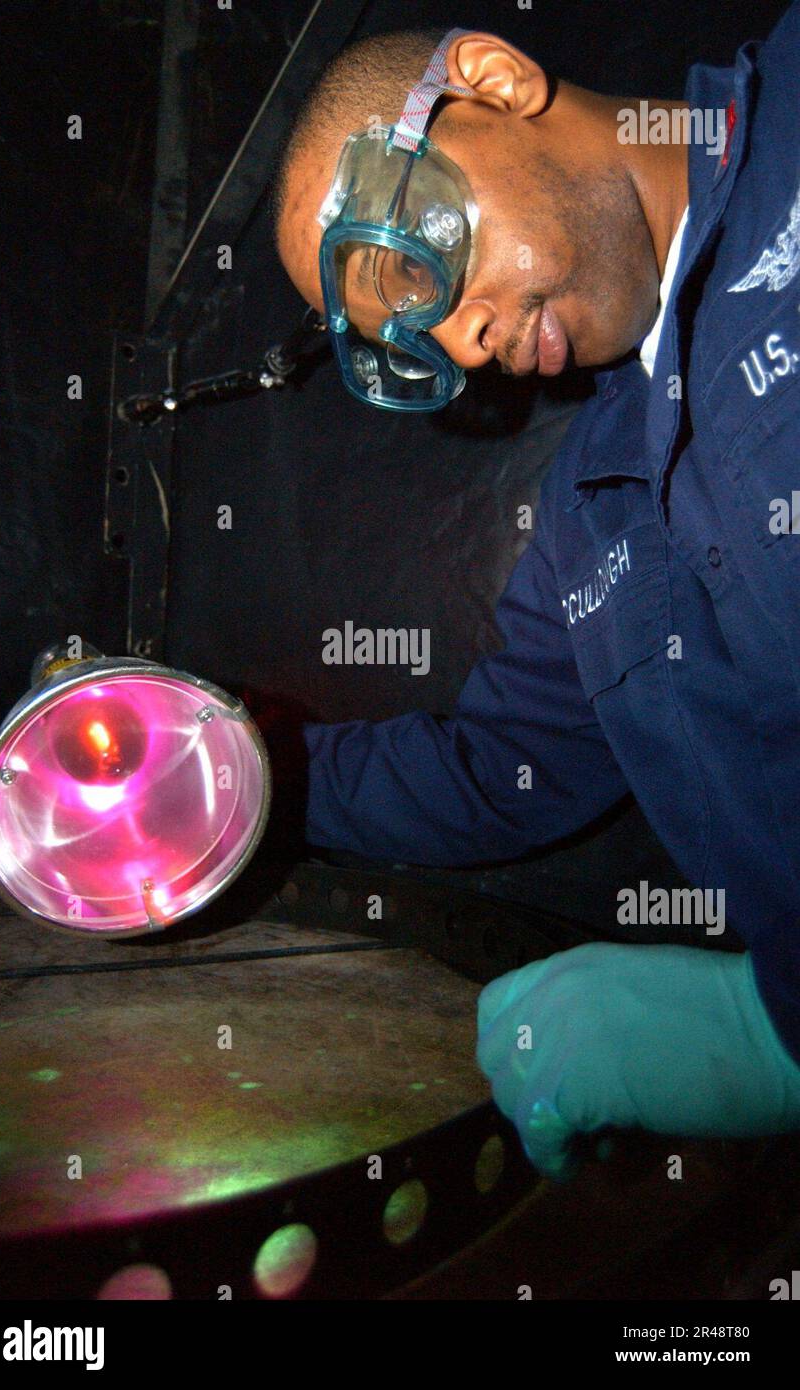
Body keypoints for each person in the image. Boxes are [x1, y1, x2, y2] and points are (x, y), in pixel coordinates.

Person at [271, 12, 800, 1178]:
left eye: (412, 271)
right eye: (414, 345)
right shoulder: (597, 506)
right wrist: (248, 770)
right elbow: (499, 773)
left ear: (493, 81)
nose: (458, 348)